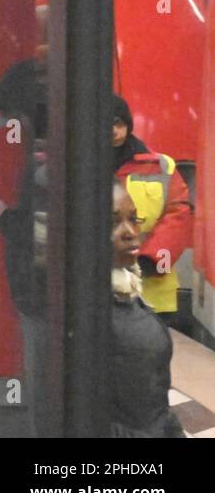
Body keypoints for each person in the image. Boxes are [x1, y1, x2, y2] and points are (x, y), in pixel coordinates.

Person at [107, 179, 185, 437]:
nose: (130, 232)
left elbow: (156, 403)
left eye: (134, 219)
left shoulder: (128, 291)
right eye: (113, 222)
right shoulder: (85, 311)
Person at [111, 95, 194, 325]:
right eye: (108, 125)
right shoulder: (80, 163)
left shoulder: (160, 166)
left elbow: (179, 213)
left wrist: (155, 260)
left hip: (153, 292)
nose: (115, 131)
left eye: (120, 124)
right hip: (102, 291)